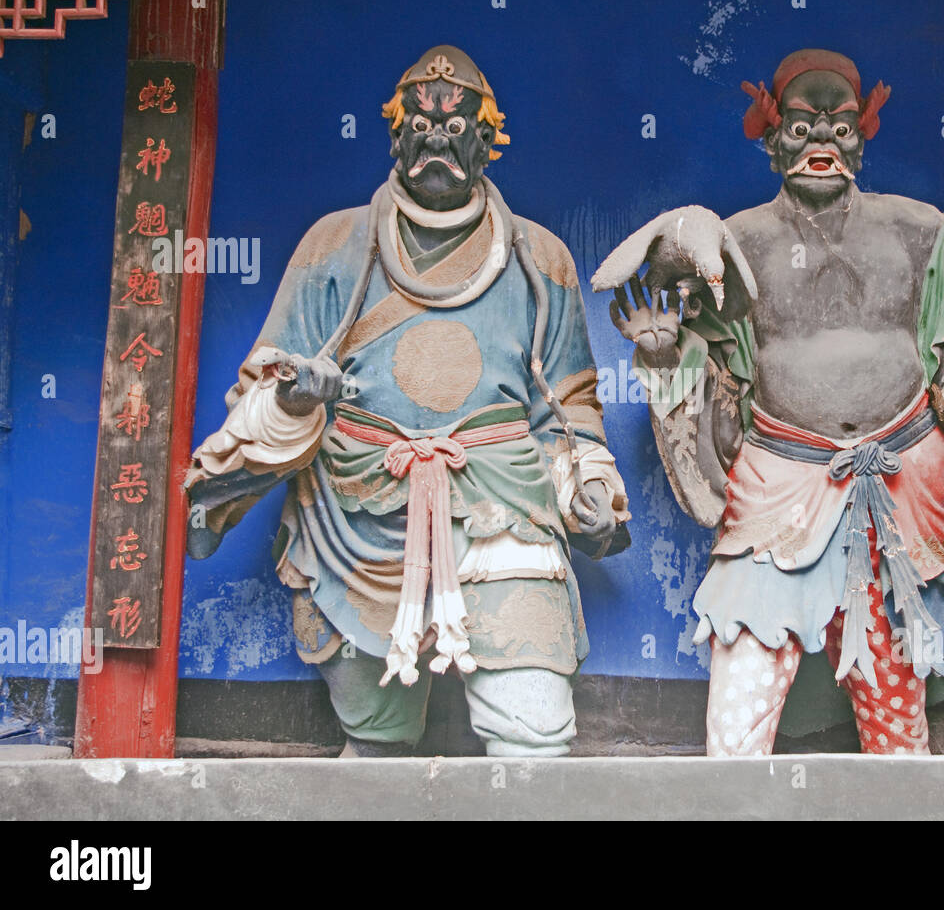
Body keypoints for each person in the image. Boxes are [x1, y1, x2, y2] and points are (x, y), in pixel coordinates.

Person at [593, 48, 944, 755]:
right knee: (740, 693)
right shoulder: (735, 246)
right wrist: (666, 354)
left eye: (840, 126)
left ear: (862, 135)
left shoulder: (922, 234)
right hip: (778, 491)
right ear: (769, 137)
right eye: (800, 126)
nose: (822, 141)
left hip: (899, 491)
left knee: (892, 708)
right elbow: (715, 378)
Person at [186, 45, 630, 757]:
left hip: (500, 505)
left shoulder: (539, 259)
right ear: (395, 134)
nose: (435, 137)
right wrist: (296, 399)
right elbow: (258, 390)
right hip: (357, 513)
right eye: (418, 123)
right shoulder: (333, 246)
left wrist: (593, 481)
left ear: (488, 140)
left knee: (535, 733)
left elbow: (569, 407)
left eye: (456, 126)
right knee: (377, 740)